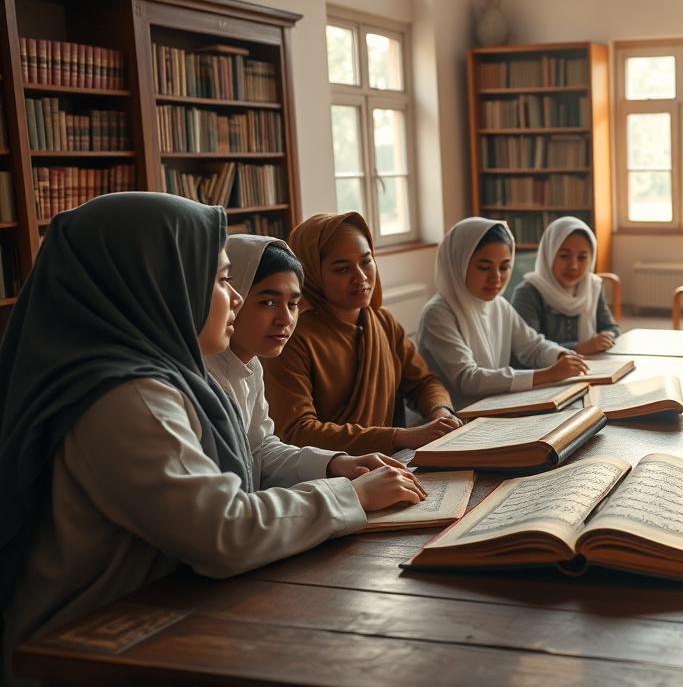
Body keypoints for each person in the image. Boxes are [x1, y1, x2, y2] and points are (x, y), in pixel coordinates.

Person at [0, 194, 425, 679]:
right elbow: (223, 531)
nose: (238, 298)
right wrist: (350, 494)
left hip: (152, 616)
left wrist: (333, 467)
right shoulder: (125, 396)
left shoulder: (161, 373)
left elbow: (256, 451)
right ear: (159, 281)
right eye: (222, 279)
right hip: (83, 647)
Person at [206, 234, 407, 492]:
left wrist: (337, 463)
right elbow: (227, 510)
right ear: (233, 295)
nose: (285, 319)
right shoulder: (205, 379)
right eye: (268, 303)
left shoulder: (251, 364)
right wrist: (351, 493)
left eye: (293, 304)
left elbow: (260, 448)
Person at [264, 212, 461, 455]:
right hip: (330, 477)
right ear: (312, 273)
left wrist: (440, 412)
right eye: (342, 269)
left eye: (366, 261)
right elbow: (298, 431)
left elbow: (423, 382)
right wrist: (400, 436)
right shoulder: (290, 338)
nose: (361, 277)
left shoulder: (382, 321)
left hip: (392, 463)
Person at [418, 217, 587, 405]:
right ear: (459, 263)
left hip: (497, 408)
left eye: (504, 267)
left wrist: (560, 355)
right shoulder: (438, 314)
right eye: (484, 267)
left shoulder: (499, 305)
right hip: (459, 420)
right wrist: (548, 374)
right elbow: (468, 379)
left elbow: (532, 346)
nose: (496, 277)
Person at [510, 216, 620, 355]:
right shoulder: (528, 293)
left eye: (582, 258)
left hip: (590, 367)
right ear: (549, 254)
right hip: (546, 374)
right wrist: (579, 348)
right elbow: (529, 350)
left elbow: (611, 327)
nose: (573, 266)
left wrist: (605, 337)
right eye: (564, 256)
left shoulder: (592, 286)